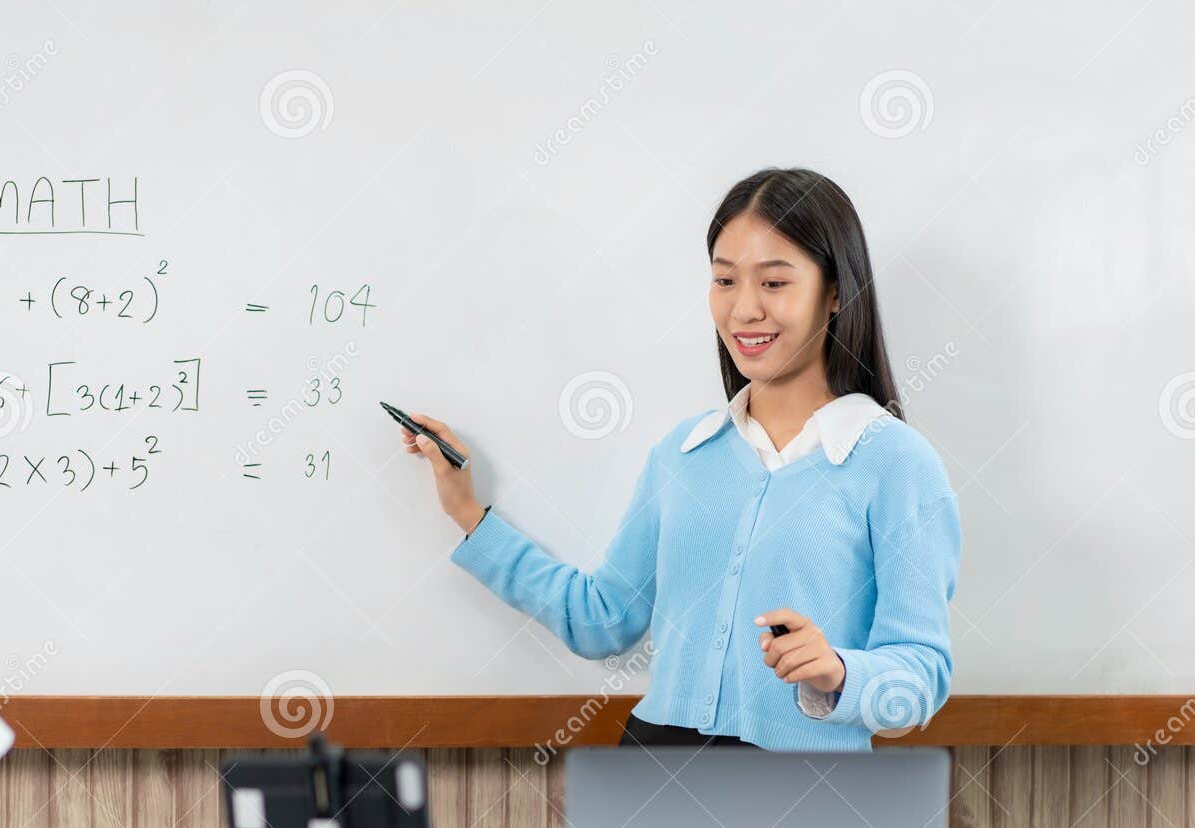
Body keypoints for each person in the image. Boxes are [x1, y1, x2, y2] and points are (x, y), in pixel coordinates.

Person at [402, 168, 961, 752]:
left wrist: (839, 672)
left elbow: (919, 680)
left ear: (837, 291)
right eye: (725, 280)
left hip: (801, 788)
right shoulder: (683, 454)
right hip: (652, 766)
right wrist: (467, 513)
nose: (744, 309)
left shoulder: (897, 464)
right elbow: (601, 620)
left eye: (774, 282)